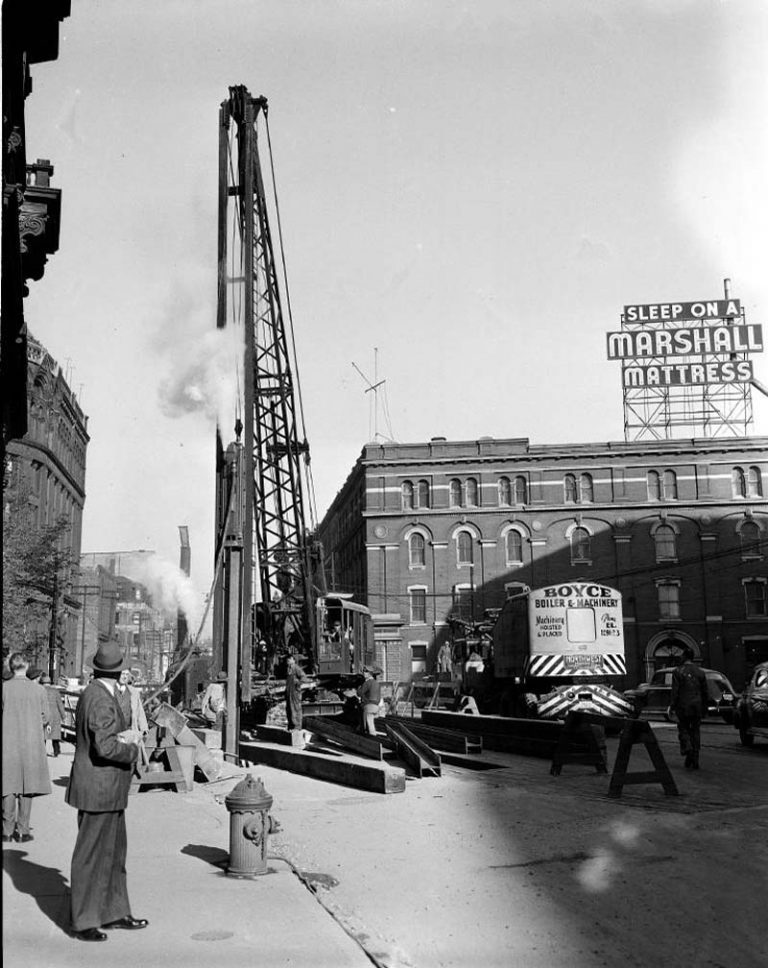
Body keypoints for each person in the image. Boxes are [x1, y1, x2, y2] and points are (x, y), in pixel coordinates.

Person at [65, 641, 147, 942]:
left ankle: (113, 912)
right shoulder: (99, 699)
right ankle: (84, 921)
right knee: (90, 856)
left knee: (113, 855)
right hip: (98, 789)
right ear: (119, 670)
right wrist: (132, 748)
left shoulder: (101, 692)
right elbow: (105, 746)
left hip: (108, 789)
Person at [2, 653, 51, 842]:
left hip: (7, 742)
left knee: (8, 785)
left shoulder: (4, 689)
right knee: (27, 786)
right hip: (31, 743)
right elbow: (46, 717)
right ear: (27, 666)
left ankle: (6, 831)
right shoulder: (39, 690)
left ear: (11, 667)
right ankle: (22, 830)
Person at [670, 646, 709, 770]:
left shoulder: (677, 671)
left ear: (685, 656)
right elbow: (705, 692)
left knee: (683, 728)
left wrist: (672, 705)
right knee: (696, 731)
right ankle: (695, 757)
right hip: (697, 705)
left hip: (683, 706)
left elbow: (675, 691)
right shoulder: (700, 672)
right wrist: (704, 707)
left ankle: (688, 748)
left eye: (682, 655)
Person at [40, 674, 66, 757]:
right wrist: (63, 716)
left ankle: (41, 752)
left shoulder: (40, 690)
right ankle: (56, 751)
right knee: (55, 735)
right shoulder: (55, 691)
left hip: (43, 714)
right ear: (50, 682)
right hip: (55, 715)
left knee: (43, 735)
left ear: (42, 683)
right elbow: (60, 704)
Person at [285, 655, 307, 731]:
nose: (288, 660)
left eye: (289, 659)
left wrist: (297, 683)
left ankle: (297, 727)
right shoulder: (288, 669)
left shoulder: (296, 668)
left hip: (295, 692)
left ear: (294, 660)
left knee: (296, 709)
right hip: (289, 692)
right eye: (287, 659)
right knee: (289, 709)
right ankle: (291, 726)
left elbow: (304, 678)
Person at [359, 666, 382, 736]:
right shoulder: (377, 683)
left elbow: (360, 693)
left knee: (369, 725)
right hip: (376, 706)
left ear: (370, 674)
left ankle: (372, 739)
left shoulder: (367, 683)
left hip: (369, 706)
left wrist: (358, 688)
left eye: (366, 672)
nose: (364, 673)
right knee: (370, 722)